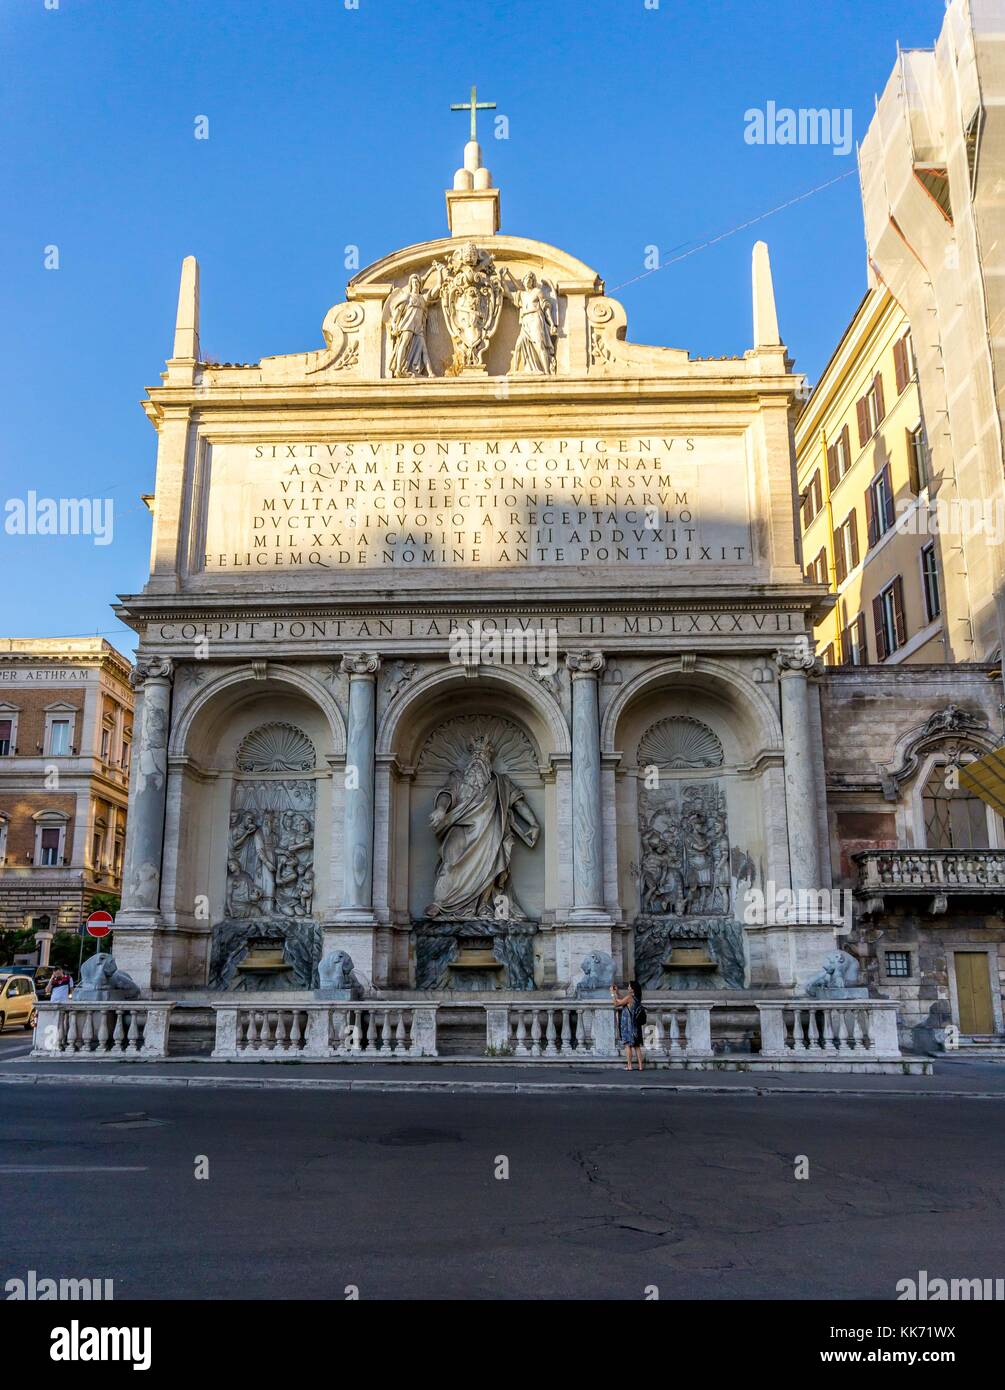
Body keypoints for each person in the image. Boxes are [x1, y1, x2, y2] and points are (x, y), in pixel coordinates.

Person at [611, 978, 645, 1072]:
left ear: (633, 989)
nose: (628, 987)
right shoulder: (637, 997)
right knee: (637, 1046)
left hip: (628, 1025)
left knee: (628, 1045)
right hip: (635, 1025)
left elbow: (616, 1004)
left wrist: (612, 993)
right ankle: (640, 1066)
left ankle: (629, 1065)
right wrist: (617, 992)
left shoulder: (630, 997)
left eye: (629, 986)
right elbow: (623, 1000)